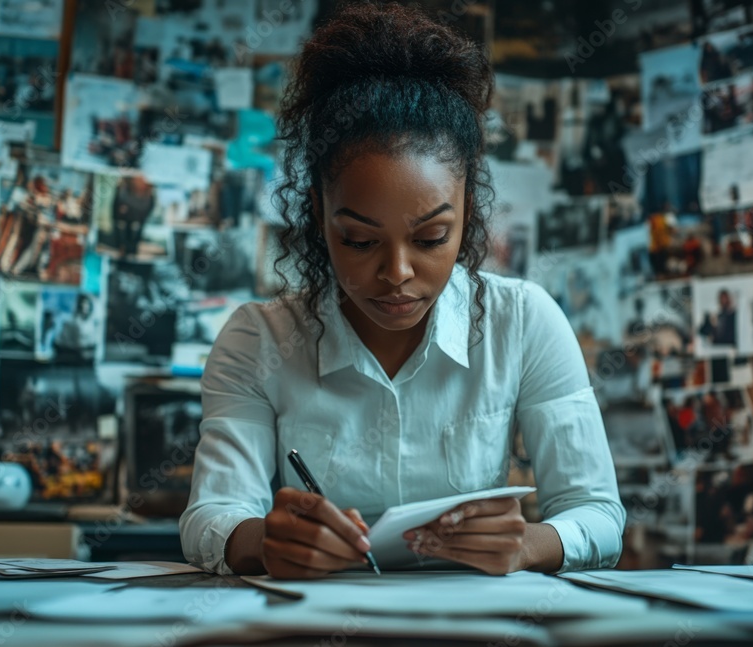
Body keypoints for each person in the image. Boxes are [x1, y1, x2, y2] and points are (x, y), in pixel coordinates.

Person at [180, 3, 624, 580]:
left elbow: (599, 515)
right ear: (318, 214)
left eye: (431, 237)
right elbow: (209, 517)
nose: (397, 273)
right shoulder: (259, 340)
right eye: (360, 241)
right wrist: (262, 541)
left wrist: (528, 544)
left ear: (468, 211)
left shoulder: (525, 322)